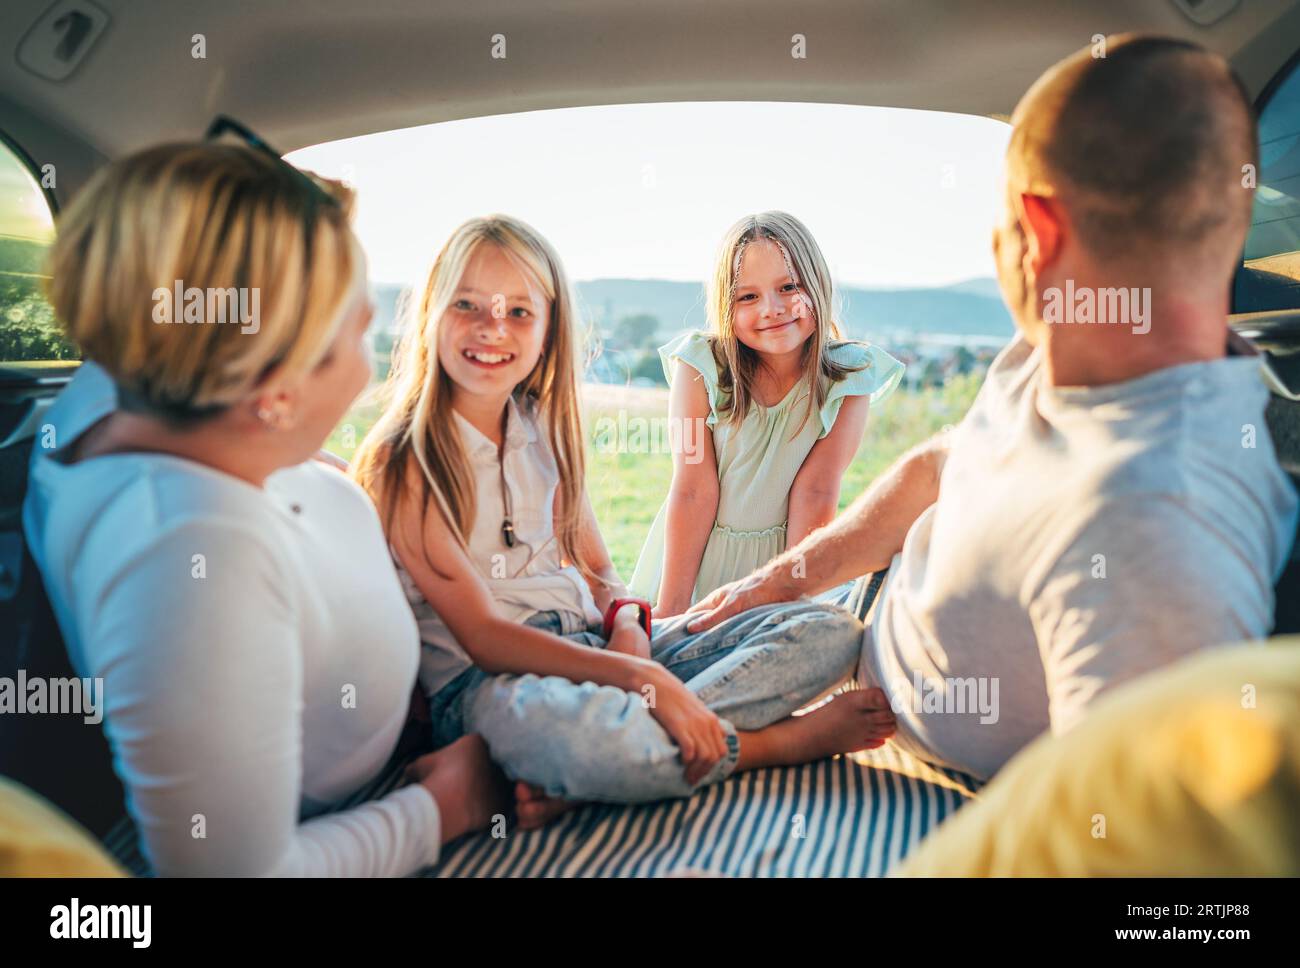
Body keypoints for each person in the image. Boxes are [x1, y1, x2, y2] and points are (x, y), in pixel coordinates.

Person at [684, 35, 1299, 782]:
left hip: (898, 762)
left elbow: (1112, 829)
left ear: (1039, 233)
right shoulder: (1059, 347)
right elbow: (942, 468)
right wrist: (771, 585)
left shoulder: (1161, 522)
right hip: (839, 635)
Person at [23, 142, 509, 876]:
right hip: (398, 783)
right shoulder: (189, 558)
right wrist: (449, 805)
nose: (369, 361)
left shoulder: (139, 374)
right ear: (274, 396)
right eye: (356, 334)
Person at [350, 215, 897, 827]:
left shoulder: (542, 431)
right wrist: (640, 676)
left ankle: (624, 759)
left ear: (548, 328)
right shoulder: (404, 462)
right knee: (578, 739)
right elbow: (483, 637)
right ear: (430, 312)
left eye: (519, 313)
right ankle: (766, 746)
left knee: (829, 634)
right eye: (468, 305)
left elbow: (599, 568)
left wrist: (631, 623)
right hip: (495, 682)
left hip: (592, 642)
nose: (492, 327)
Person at [630, 211, 903, 613]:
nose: (772, 309)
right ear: (726, 304)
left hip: (787, 565)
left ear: (817, 284)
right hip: (695, 560)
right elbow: (692, 489)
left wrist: (785, 601)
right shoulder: (699, 366)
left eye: (788, 287)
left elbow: (816, 491)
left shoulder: (849, 376)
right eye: (748, 297)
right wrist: (673, 611)